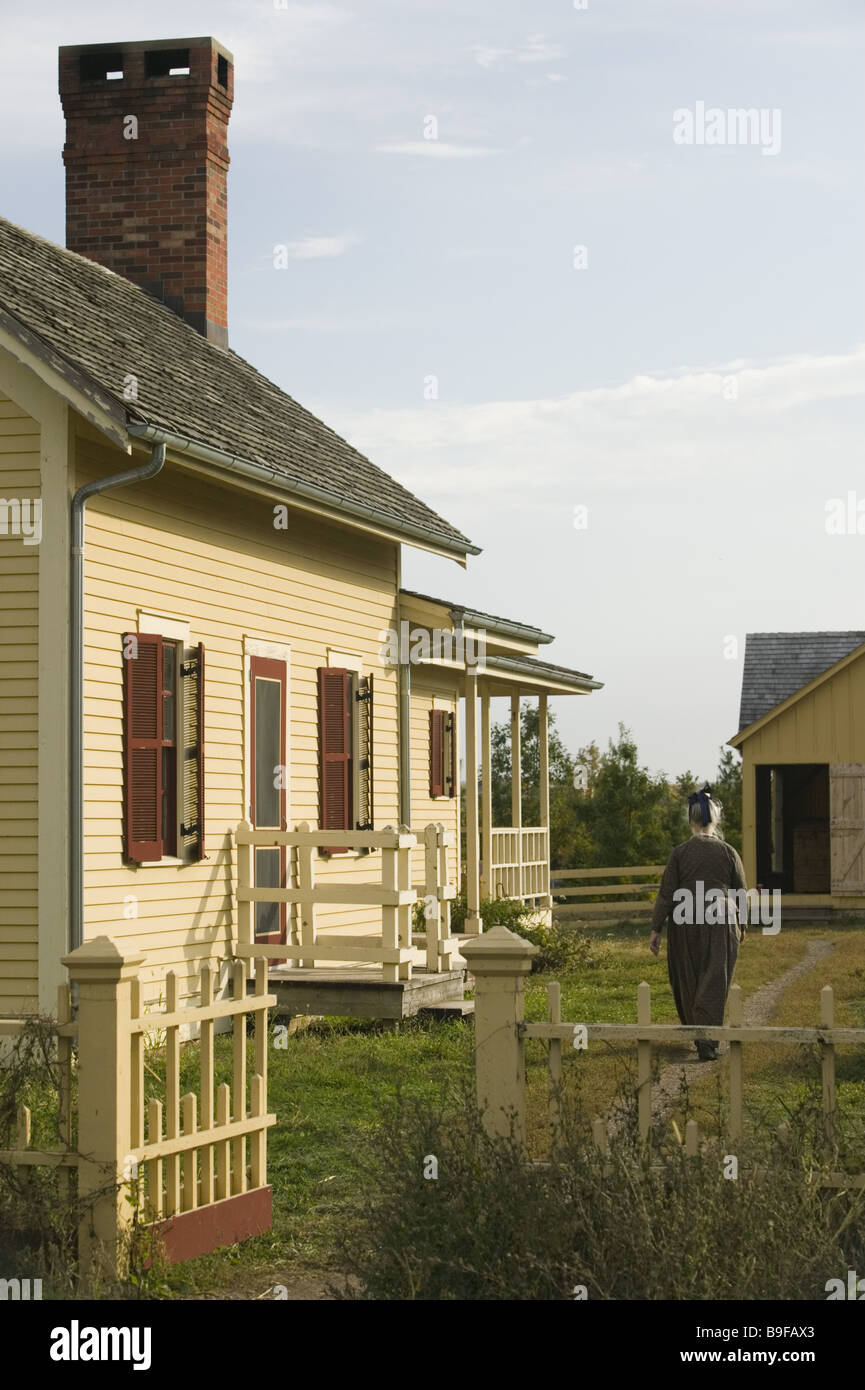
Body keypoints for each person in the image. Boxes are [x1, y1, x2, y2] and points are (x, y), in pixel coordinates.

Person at [649, 782, 747, 1061]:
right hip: (722, 918)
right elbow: (740, 891)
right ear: (715, 820)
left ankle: (700, 1035)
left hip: (685, 920)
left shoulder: (679, 853)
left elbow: (666, 893)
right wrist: (742, 924)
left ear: (691, 821)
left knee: (688, 978)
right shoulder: (728, 852)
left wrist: (656, 928)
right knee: (716, 977)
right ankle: (708, 1040)